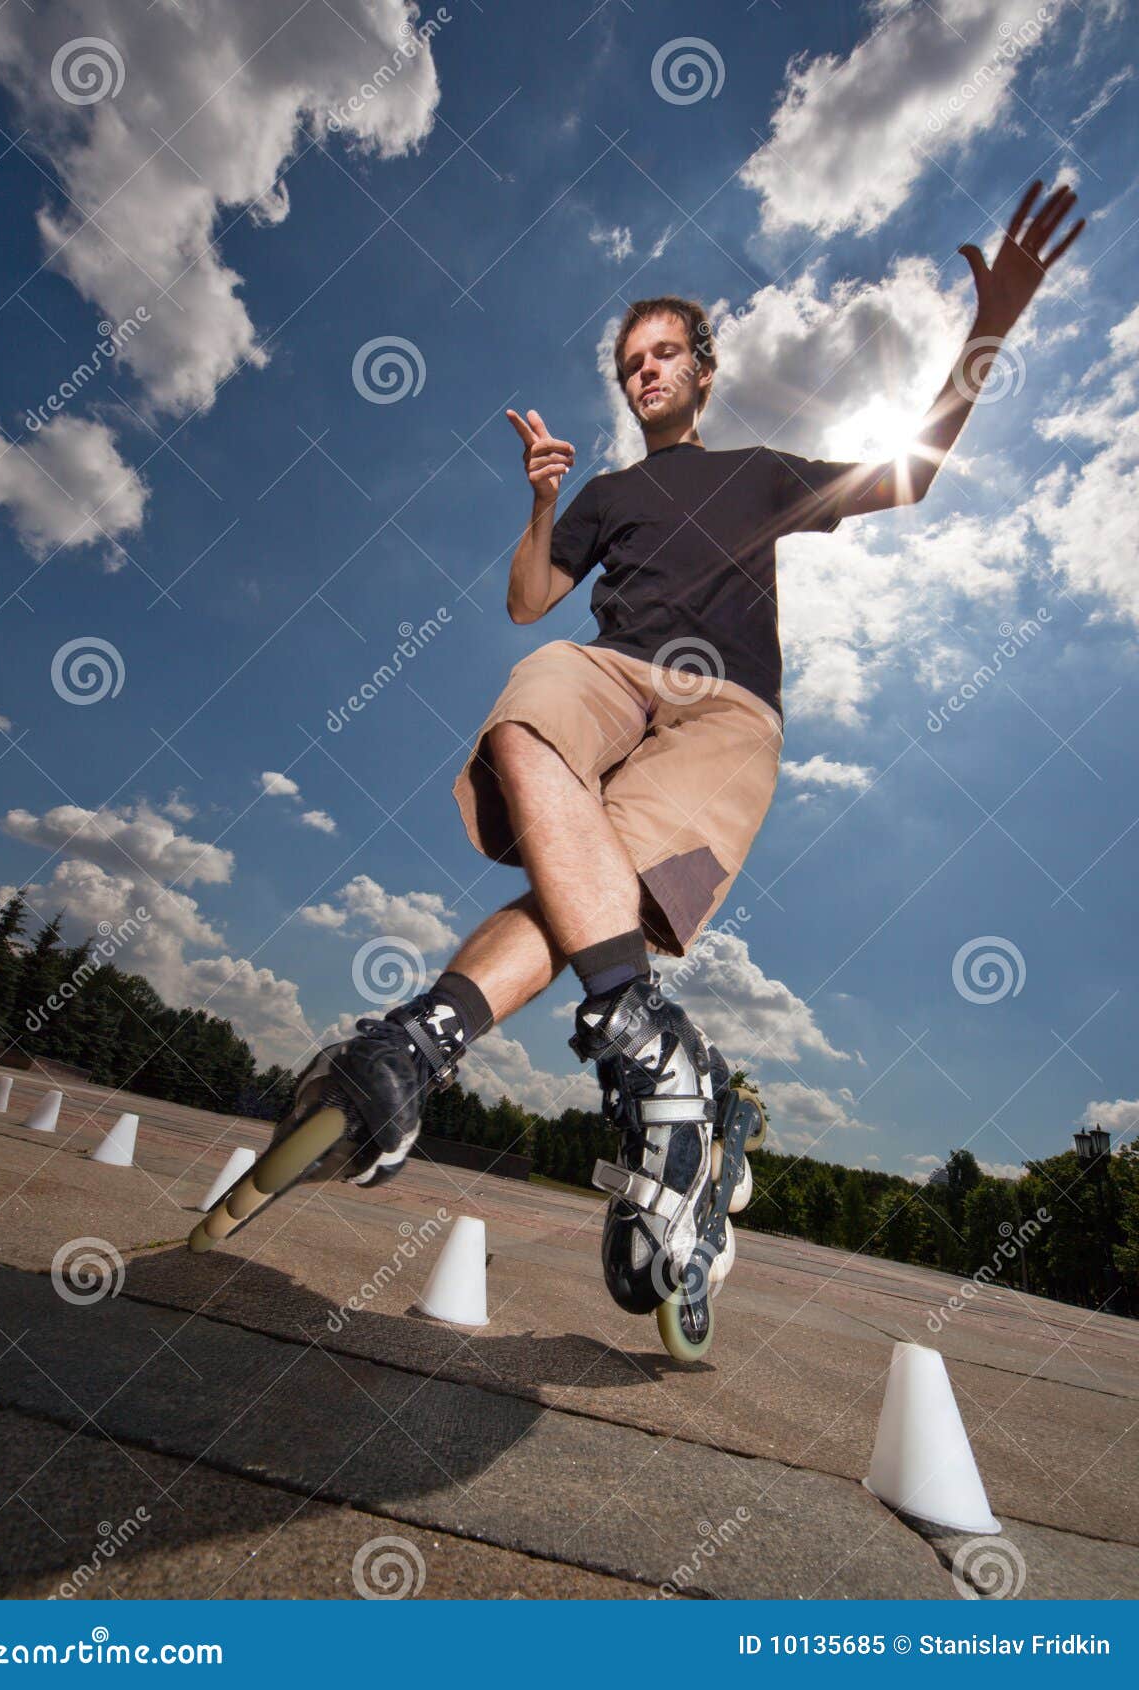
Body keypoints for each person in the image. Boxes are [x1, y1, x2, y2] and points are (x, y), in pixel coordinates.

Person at [269, 181, 1083, 1308]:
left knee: (586, 887)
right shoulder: (607, 491)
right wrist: (546, 503)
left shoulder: (757, 472)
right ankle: (655, 1053)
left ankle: (421, 1044)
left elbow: (911, 475)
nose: (644, 371)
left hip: (727, 712)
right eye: (629, 362)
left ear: (702, 369)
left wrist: (990, 326)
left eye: (663, 354)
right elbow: (528, 600)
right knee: (536, 686)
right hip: (615, 676)